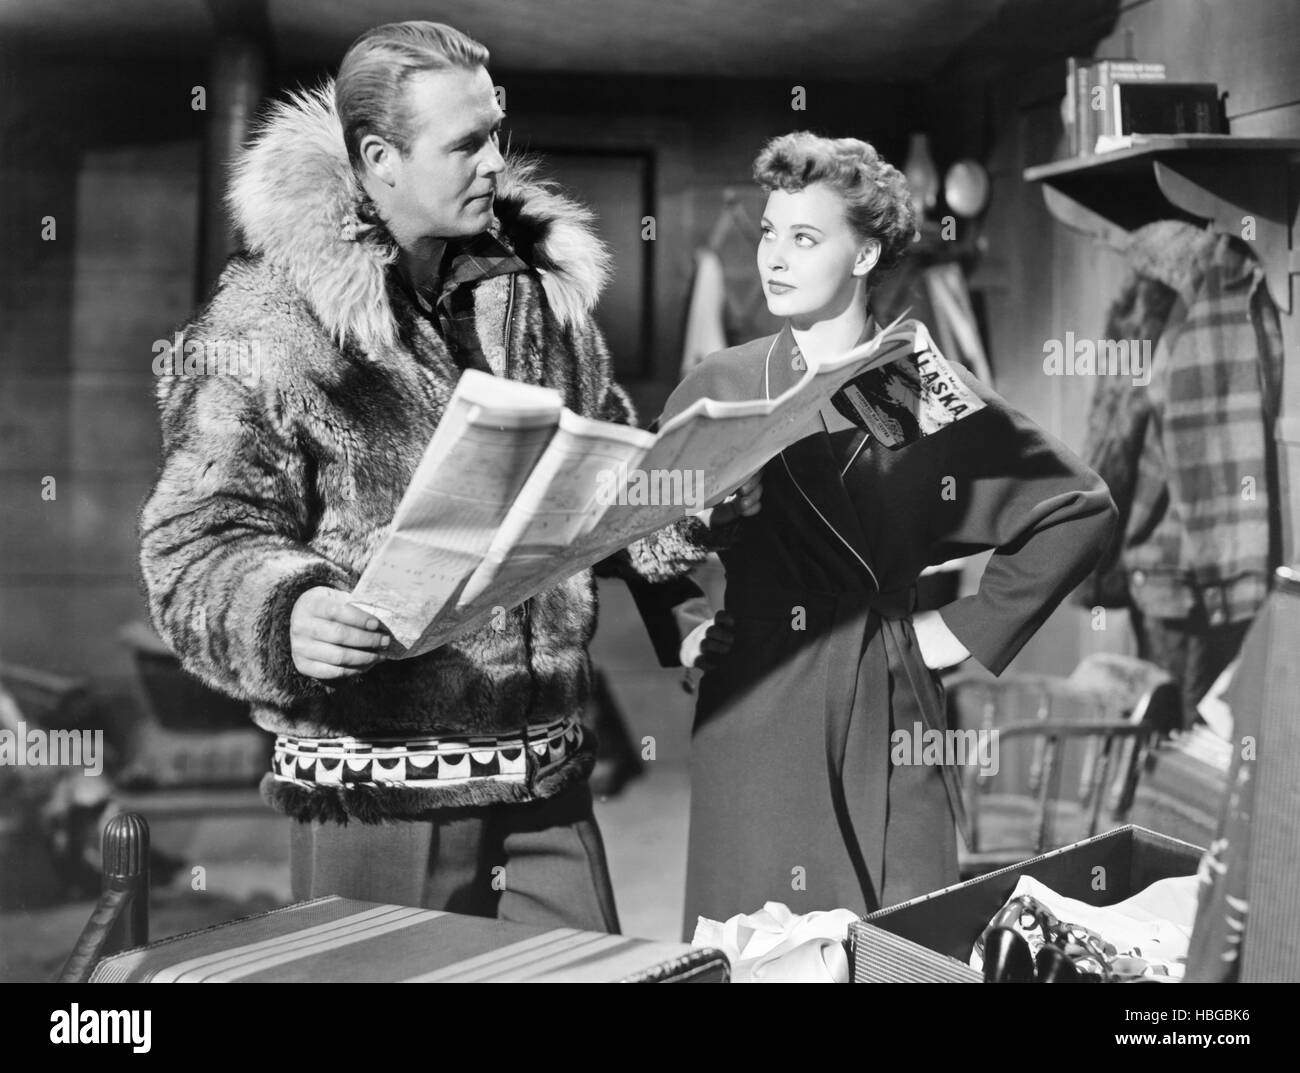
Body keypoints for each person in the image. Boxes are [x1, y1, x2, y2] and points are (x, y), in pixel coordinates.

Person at [138, 21, 710, 932]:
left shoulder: (535, 296)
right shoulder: (269, 326)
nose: (496, 162)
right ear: (380, 158)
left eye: (497, 131)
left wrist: (683, 608)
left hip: (546, 772)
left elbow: (612, 468)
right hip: (376, 789)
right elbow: (196, 543)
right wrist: (288, 615)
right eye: (466, 143)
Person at [659, 132, 1119, 934]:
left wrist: (953, 632)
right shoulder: (720, 382)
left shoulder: (911, 384)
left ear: (866, 253)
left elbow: (1078, 508)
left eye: (805, 238)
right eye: (770, 232)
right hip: (757, 698)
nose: (774, 256)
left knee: (904, 939)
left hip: (891, 692)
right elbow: (641, 532)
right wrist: (687, 628)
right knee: (765, 948)